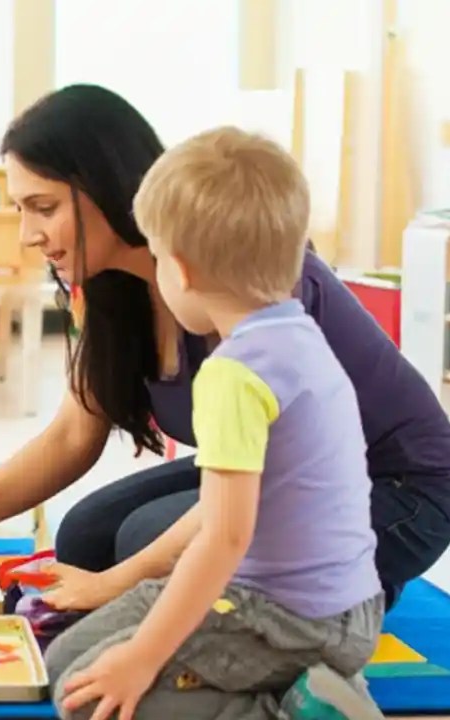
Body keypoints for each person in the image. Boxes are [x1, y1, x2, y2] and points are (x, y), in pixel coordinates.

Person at [0, 84, 450, 614]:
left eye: (44, 207)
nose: (29, 235)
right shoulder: (112, 289)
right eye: (19, 209)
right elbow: (69, 439)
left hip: (397, 489)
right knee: (87, 534)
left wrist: (119, 583)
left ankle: (344, 597)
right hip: (271, 470)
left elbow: (276, 474)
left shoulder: (242, 273)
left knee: (141, 548)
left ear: (106, 186)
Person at [47, 127, 383, 720]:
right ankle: (309, 686)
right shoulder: (300, 333)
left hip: (284, 616)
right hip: (347, 607)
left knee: (88, 697)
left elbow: (225, 539)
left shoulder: (231, 375)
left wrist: (142, 658)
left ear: (180, 270)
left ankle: (293, 711)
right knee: (62, 660)